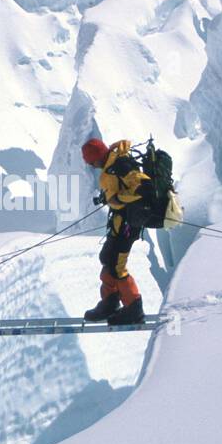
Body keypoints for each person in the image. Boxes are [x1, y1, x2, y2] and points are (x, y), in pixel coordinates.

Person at [80, 137, 149, 325]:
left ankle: (134, 308)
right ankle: (109, 303)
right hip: (120, 223)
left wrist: (118, 198)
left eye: (92, 162)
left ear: (98, 157)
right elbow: (122, 187)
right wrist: (109, 197)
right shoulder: (112, 165)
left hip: (128, 224)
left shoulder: (120, 164)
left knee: (117, 266)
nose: (93, 166)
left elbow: (142, 187)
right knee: (107, 258)